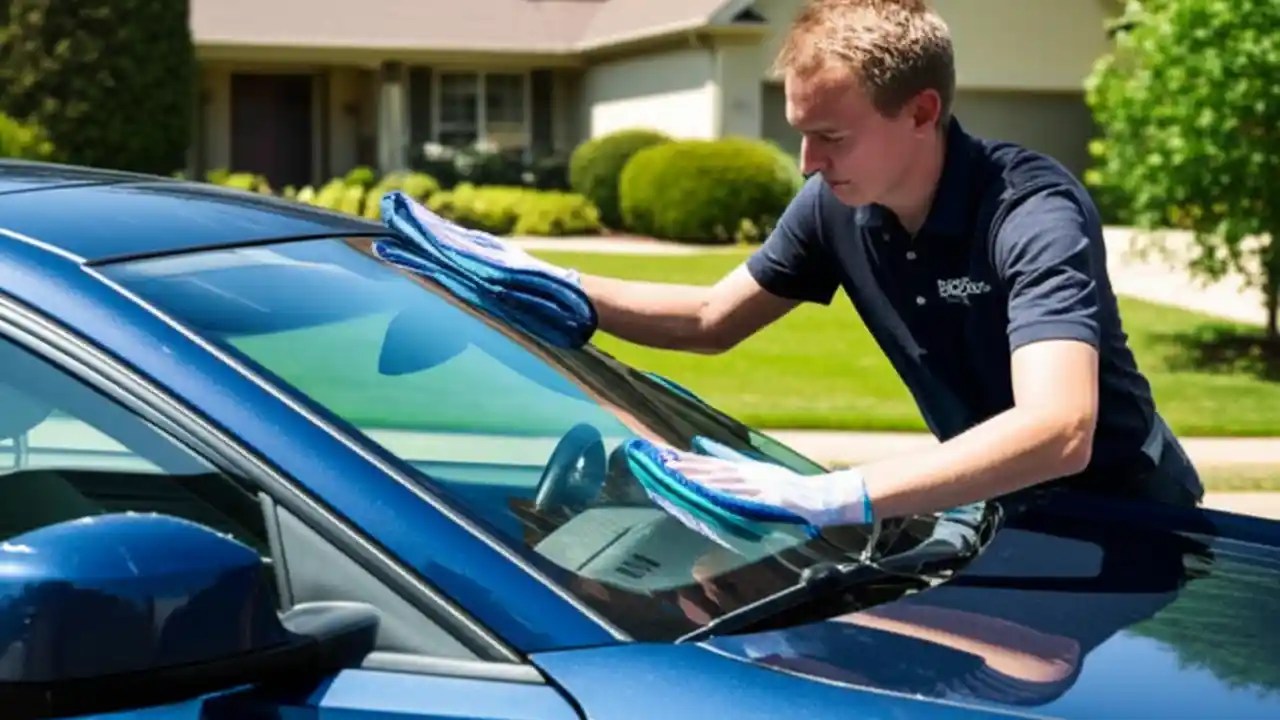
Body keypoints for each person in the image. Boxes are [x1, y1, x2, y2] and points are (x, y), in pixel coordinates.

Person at [431, 0, 1203, 529]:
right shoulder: (835, 205)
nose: (806, 162)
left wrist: (833, 495)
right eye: (801, 132)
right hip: (997, 513)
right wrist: (545, 282)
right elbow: (710, 319)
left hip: (1134, 521)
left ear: (922, 113)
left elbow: (1059, 427)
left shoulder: (1028, 210)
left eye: (830, 135)